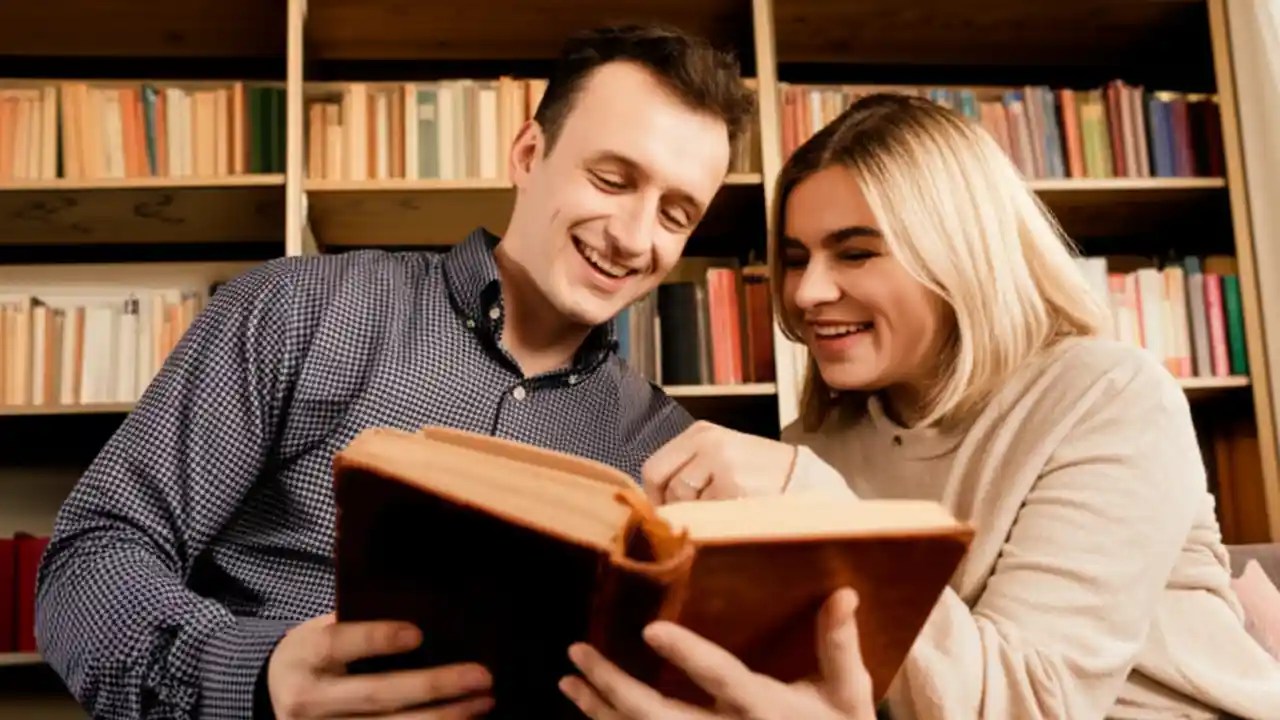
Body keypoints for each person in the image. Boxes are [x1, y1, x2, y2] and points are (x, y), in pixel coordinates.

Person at [34, 23, 755, 720]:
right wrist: (258, 681)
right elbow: (91, 559)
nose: (633, 237)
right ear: (530, 154)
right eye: (611, 179)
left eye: (675, 214)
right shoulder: (298, 309)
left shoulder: (668, 454)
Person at [564, 92, 1280, 720]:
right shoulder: (820, 446)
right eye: (794, 257)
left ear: (957, 254)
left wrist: (818, 514)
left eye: (856, 253)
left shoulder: (1110, 396)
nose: (807, 292)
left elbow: (1027, 706)